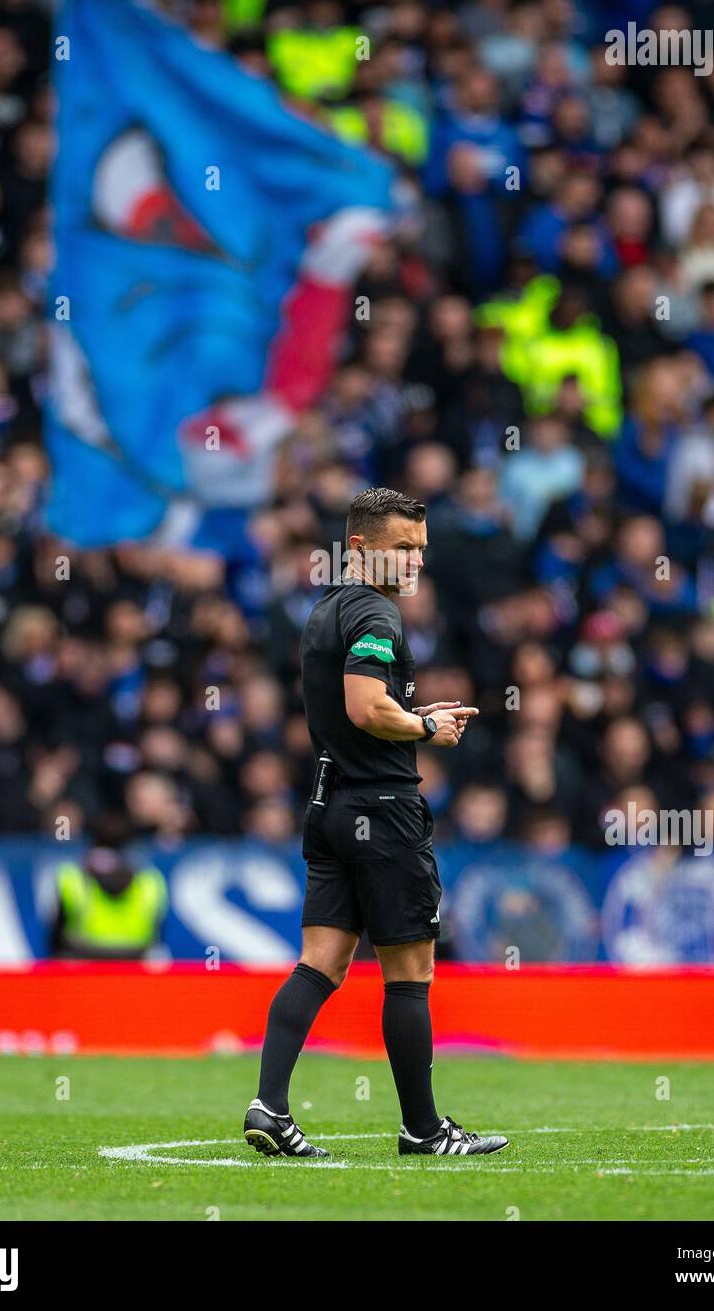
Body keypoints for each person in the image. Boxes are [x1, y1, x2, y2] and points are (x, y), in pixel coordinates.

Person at [243, 487, 508, 1158]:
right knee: (410, 972)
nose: (416, 559)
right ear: (359, 548)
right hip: (382, 810)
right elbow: (365, 706)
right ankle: (422, 1129)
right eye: (402, 548)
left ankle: (268, 1106)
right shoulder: (374, 615)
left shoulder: (325, 608)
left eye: (420, 546)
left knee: (321, 962)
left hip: (330, 803)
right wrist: (422, 725)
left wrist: (403, 719)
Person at [49, 810, 167, 961]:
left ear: (92, 839)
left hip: (83, 964)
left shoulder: (72, 877)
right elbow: (159, 932)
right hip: (136, 963)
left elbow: (55, 937)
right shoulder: (150, 879)